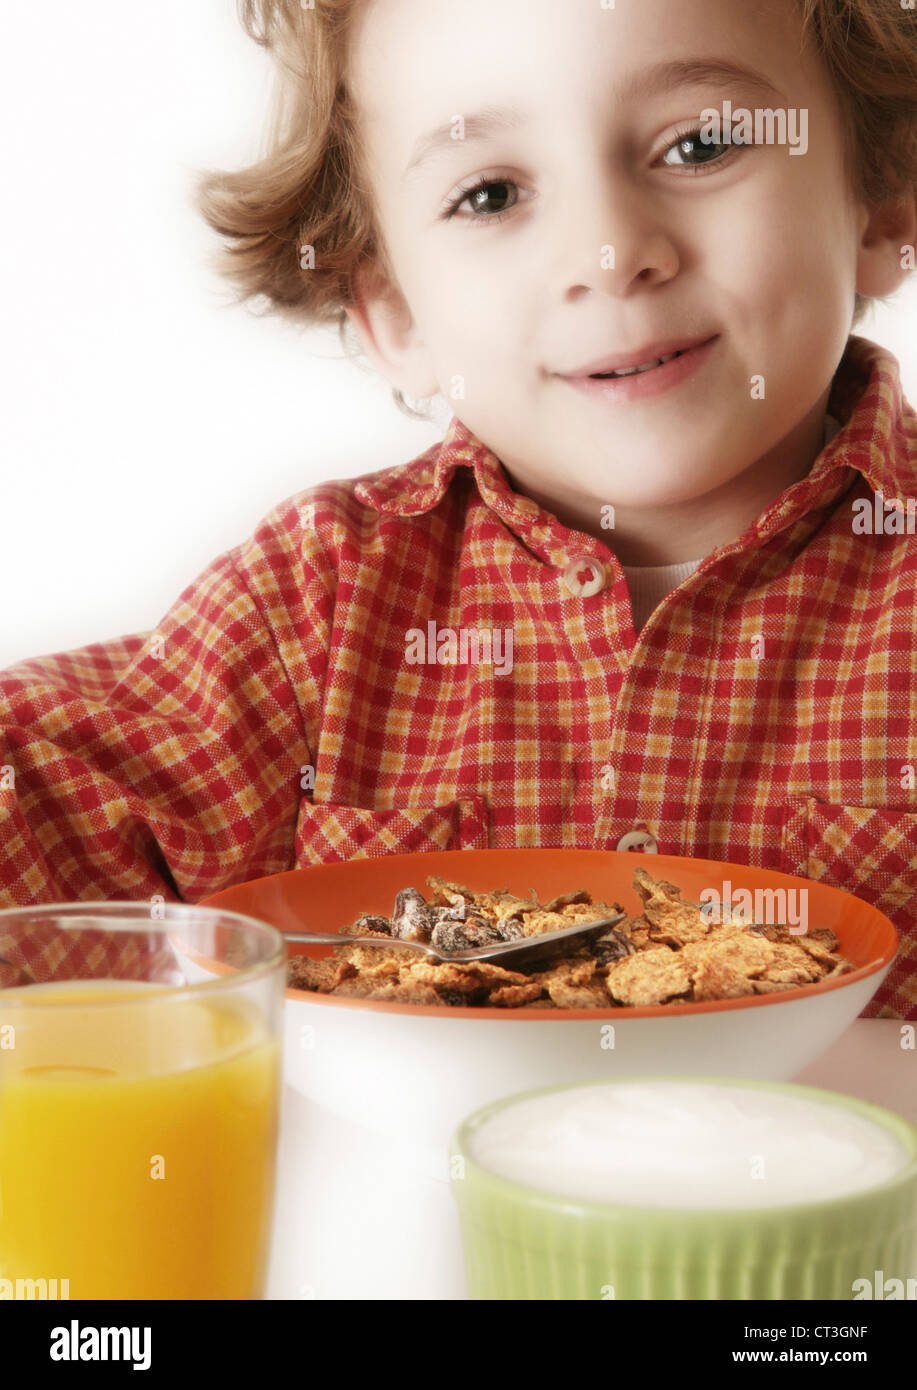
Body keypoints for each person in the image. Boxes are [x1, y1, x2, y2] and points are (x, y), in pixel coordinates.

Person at [1, 0, 915, 1016]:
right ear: (393, 310)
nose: (608, 256)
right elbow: (44, 797)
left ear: (880, 201)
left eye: (696, 145)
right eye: (488, 195)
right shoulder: (317, 608)